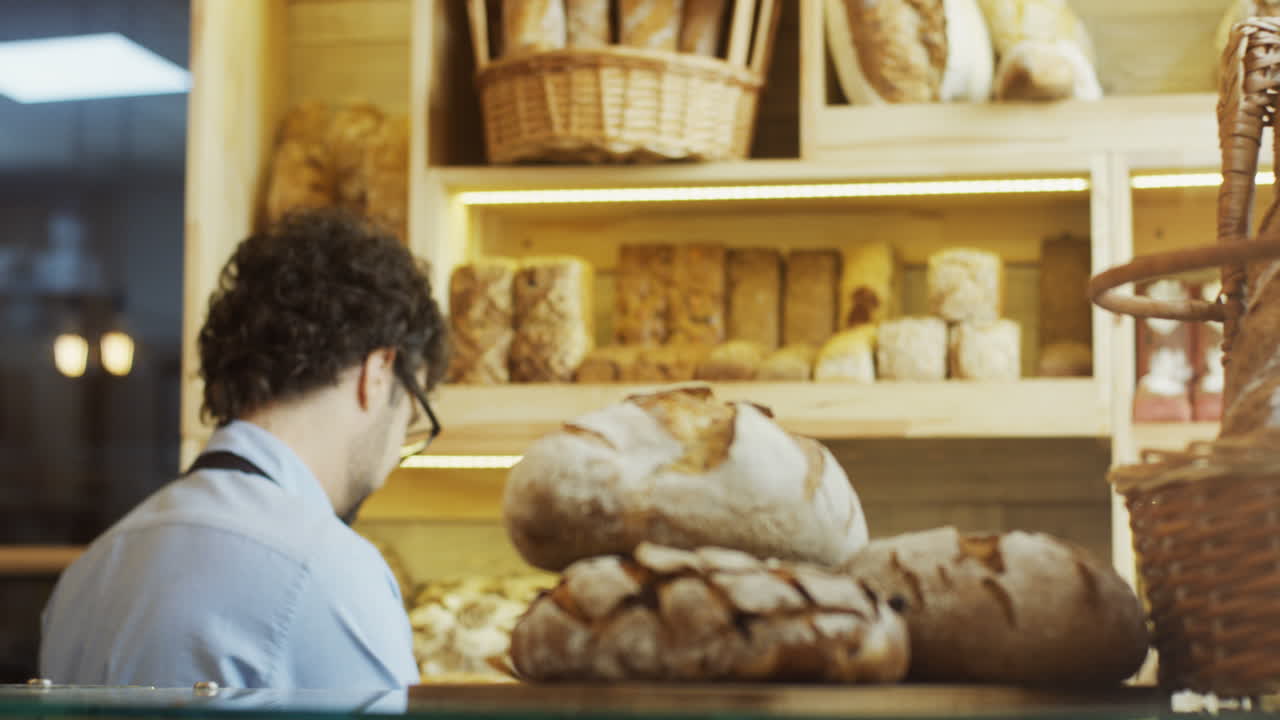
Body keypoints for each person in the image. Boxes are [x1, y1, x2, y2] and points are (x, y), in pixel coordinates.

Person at [39, 208, 448, 689]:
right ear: (377, 373)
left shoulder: (89, 573)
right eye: (411, 415)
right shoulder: (329, 573)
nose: (399, 446)